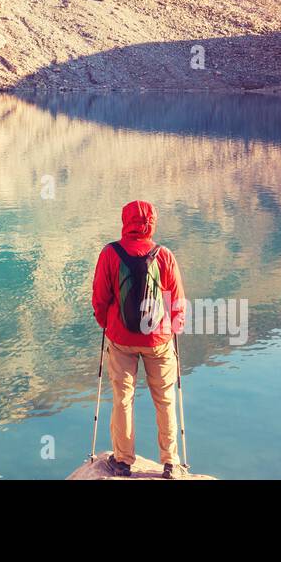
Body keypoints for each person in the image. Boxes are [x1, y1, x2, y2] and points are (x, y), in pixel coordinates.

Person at [91, 199, 187, 479]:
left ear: (125, 221)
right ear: (152, 223)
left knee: (123, 398)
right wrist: (175, 326)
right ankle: (170, 463)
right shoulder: (164, 255)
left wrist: (108, 325)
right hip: (158, 339)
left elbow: (100, 298)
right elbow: (177, 300)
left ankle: (122, 462)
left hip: (121, 339)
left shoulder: (110, 253)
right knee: (165, 398)